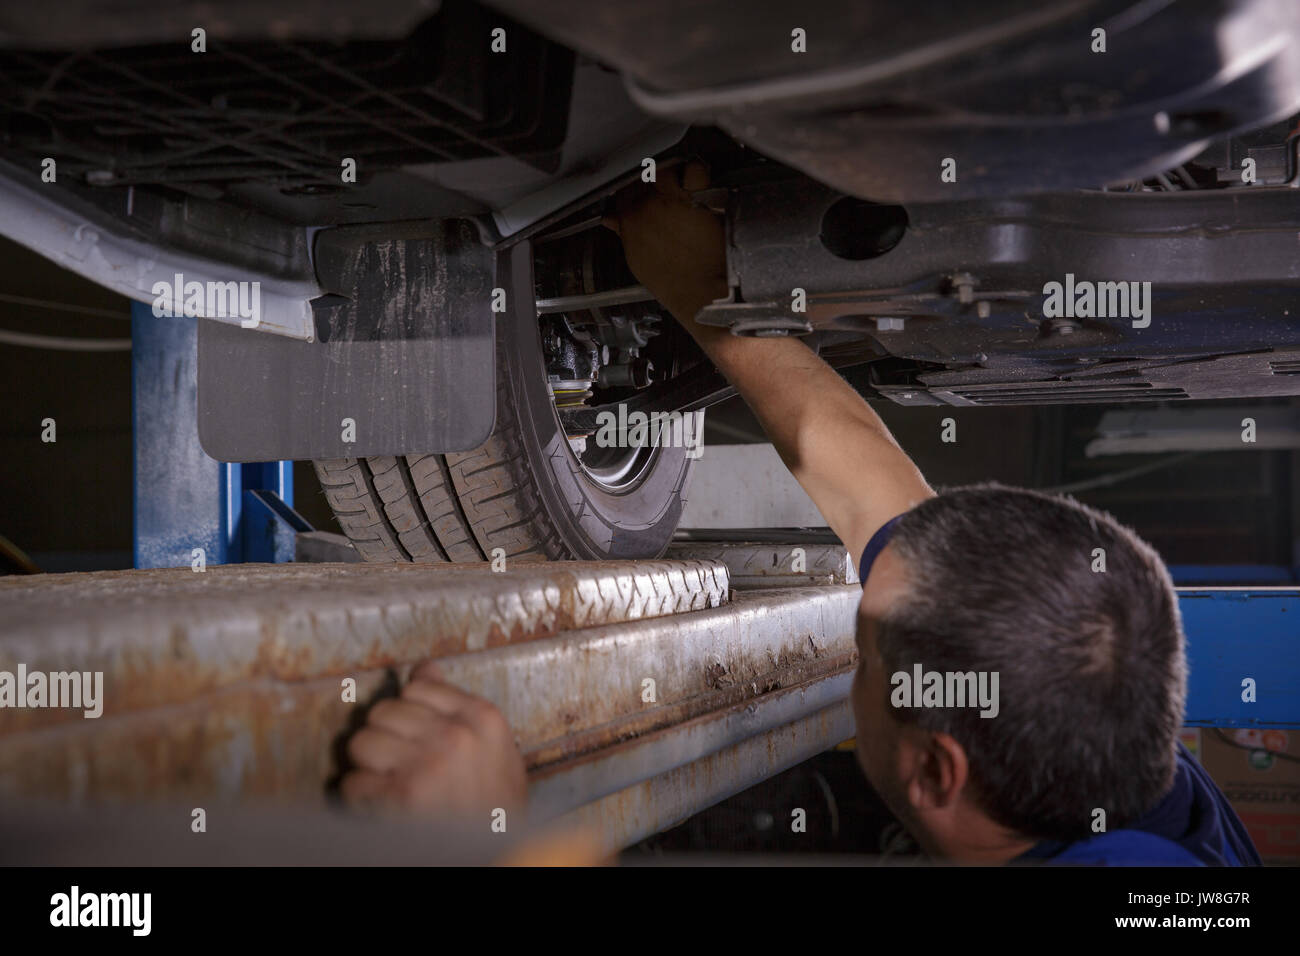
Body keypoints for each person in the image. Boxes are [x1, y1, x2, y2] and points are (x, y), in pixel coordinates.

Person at [342, 163, 1260, 866]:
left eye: (862, 646)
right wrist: (706, 291)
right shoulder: (1146, 805)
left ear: (940, 770)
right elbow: (878, 502)